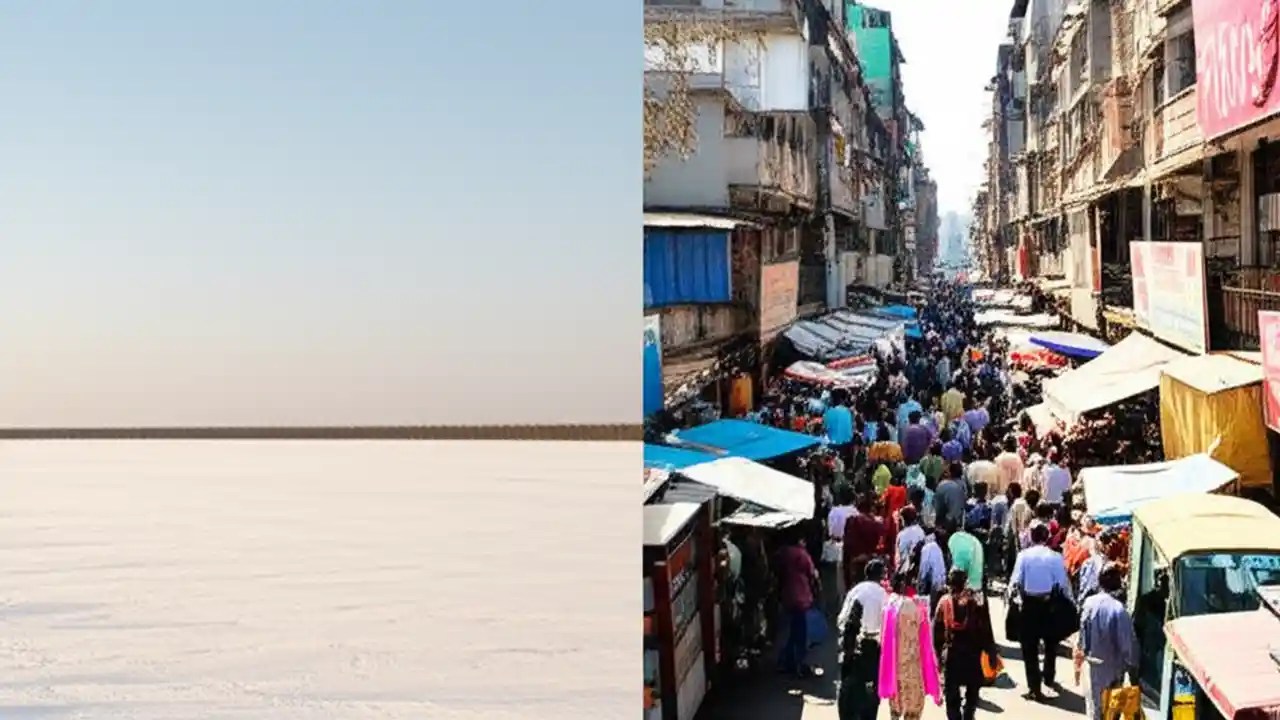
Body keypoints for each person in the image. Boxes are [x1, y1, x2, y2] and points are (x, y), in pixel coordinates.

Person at [1008, 523, 1072, 701]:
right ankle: (1049, 677)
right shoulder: (1055, 557)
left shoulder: (1024, 556)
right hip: (1050, 605)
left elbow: (1015, 581)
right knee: (1051, 644)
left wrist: (1012, 600)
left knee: (1030, 648)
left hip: (1029, 605)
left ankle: (1034, 687)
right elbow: (1062, 584)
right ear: (1047, 537)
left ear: (1032, 537)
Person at [1075, 563, 1139, 720]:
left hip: (1092, 665)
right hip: (1112, 669)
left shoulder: (1089, 603)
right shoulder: (1119, 610)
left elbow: (1083, 633)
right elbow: (1127, 645)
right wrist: (1133, 665)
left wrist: (1082, 651)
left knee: (1094, 709)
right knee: (1111, 711)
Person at [839, 559, 889, 720]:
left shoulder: (856, 590)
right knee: (871, 692)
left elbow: (842, 619)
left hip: (851, 646)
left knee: (848, 689)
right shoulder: (883, 594)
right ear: (881, 576)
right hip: (873, 647)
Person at [934, 568, 984, 720]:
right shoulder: (975, 600)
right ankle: (969, 714)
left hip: (951, 653)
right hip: (971, 653)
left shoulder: (943, 602)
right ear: (965, 582)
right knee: (972, 688)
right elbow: (984, 627)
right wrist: (988, 650)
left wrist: (937, 654)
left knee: (951, 692)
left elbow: (936, 631)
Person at [777, 529, 820, 677]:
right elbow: (812, 573)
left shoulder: (781, 553)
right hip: (801, 596)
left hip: (787, 595)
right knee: (801, 633)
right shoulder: (801, 554)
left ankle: (788, 661)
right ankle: (798, 665)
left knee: (794, 631)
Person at [843, 494, 885, 589]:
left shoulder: (851, 521)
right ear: (871, 508)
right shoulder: (876, 524)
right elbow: (881, 544)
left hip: (855, 561)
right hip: (870, 561)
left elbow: (847, 546)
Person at [948, 521, 985, 594]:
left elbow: (958, 569)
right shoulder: (973, 540)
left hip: (965, 588)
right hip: (977, 585)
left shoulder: (956, 539)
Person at [933, 463, 967, 533]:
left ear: (951, 472)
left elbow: (937, 507)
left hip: (943, 524)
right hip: (957, 524)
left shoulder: (942, 485)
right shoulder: (963, 485)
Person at [896, 506, 926, 577]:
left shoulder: (902, 534)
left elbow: (902, 556)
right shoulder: (920, 531)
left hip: (907, 571)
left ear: (903, 519)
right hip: (919, 569)